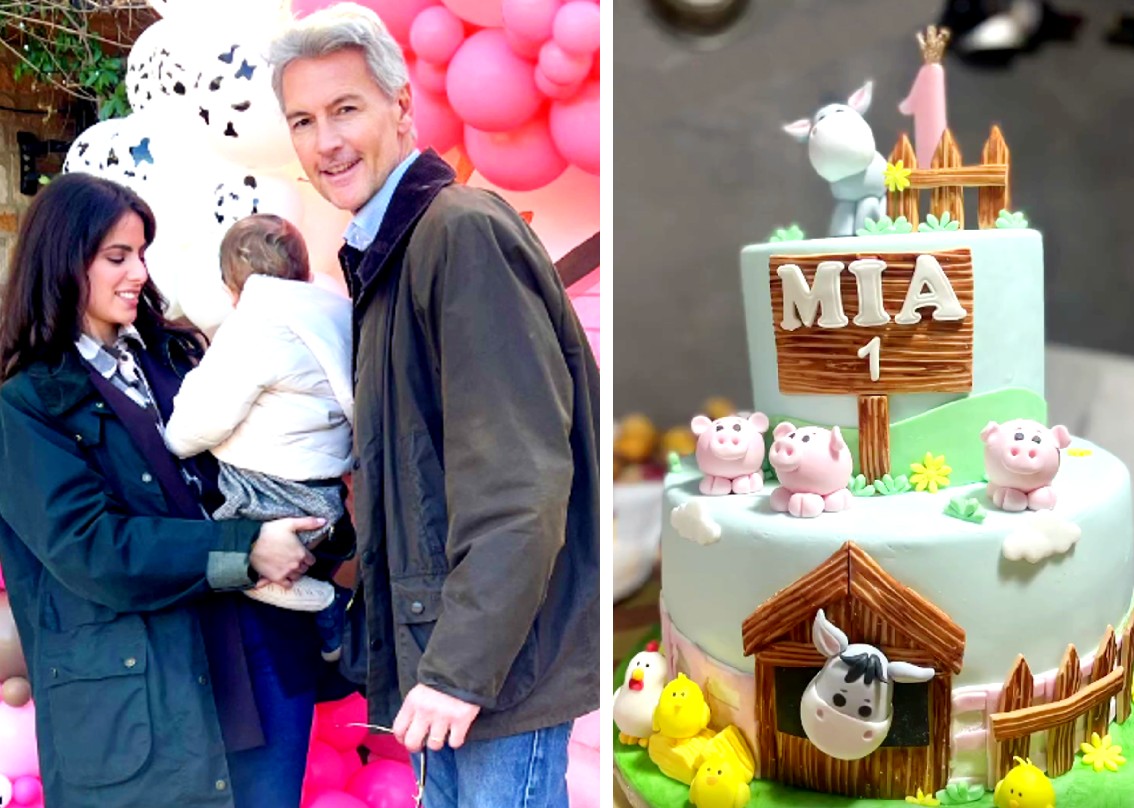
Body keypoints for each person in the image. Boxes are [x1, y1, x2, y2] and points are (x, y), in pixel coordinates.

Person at [269, 6, 600, 805]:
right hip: (456, 662)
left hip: (493, 672)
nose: (326, 142)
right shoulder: (395, 250)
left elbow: (520, 480)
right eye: (303, 121)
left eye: (345, 109)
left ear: (401, 107)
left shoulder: (458, 234)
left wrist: (459, 671)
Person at [0, 173, 333, 807]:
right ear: (64, 261)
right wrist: (245, 548)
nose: (139, 273)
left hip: (257, 659)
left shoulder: (181, 356)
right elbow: (91, 548)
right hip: (139, 699)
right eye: (117, 257)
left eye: (142, 254)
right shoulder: (27, 405)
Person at [164, 213, 354, 661]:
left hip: (268, 489)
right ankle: (331, 626)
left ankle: (330, 606)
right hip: (324, 490)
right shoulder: (337, 315)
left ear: (232, 286)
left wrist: (174, 435)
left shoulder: (255, 325)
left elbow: (200, 422)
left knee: (229, 561)